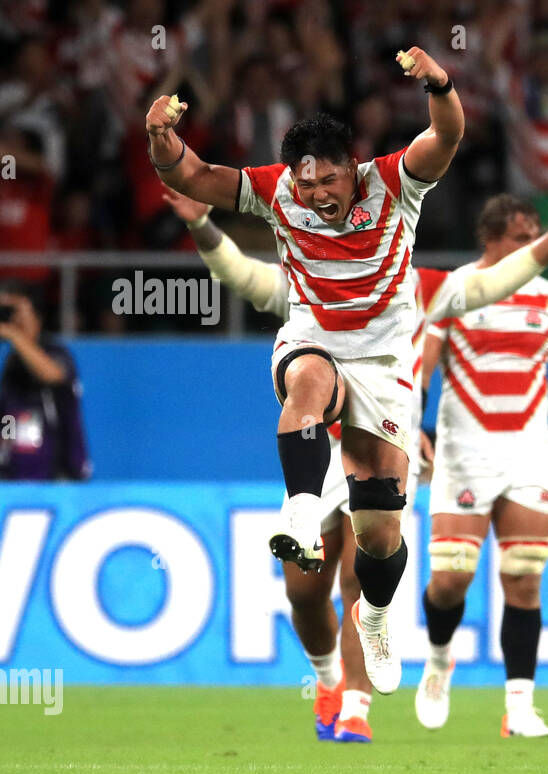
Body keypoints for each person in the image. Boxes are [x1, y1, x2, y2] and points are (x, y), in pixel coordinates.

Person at [163, 179, 548, 742]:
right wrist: (204, 226)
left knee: (359, 571)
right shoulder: (308, 284)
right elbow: (246, 278)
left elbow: (494, 282)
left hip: (385, 438)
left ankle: (355, 707)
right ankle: (328, 677)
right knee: (304, 590)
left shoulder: (421, 288)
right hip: (319, 446)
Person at [145, 46, 463, 695]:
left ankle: (373, 616)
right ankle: (300, 510)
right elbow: (196, 175)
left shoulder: (395, 181)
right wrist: (160, 139)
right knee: (307, 383)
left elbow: (447, 135)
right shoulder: (277, 190)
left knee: (378, 537)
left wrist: (441, 84)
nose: (316, 195)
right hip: (314, 339)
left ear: (353, 167)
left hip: (384, 365)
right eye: (306, 183)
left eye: (328, 182)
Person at [416, 190, 548, 737]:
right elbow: (421, 369)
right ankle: (438, 660)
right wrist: (410, 427)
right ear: (490, 239)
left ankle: (520, 708)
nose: (531, 249)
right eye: (521, 239)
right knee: (451, 579)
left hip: (527, 454)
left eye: (535, 238)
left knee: (524, 580)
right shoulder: (455, 292)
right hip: (463, 454)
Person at [0, 289, 90, 481]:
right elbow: (8, 414)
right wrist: (2, 456)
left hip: (58, 476)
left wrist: (16, 336)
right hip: (15, 478)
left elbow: (51, 375)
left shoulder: (56, 353)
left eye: (17, 310)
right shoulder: (11, 364)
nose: (13, 320)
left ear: (38, 318)